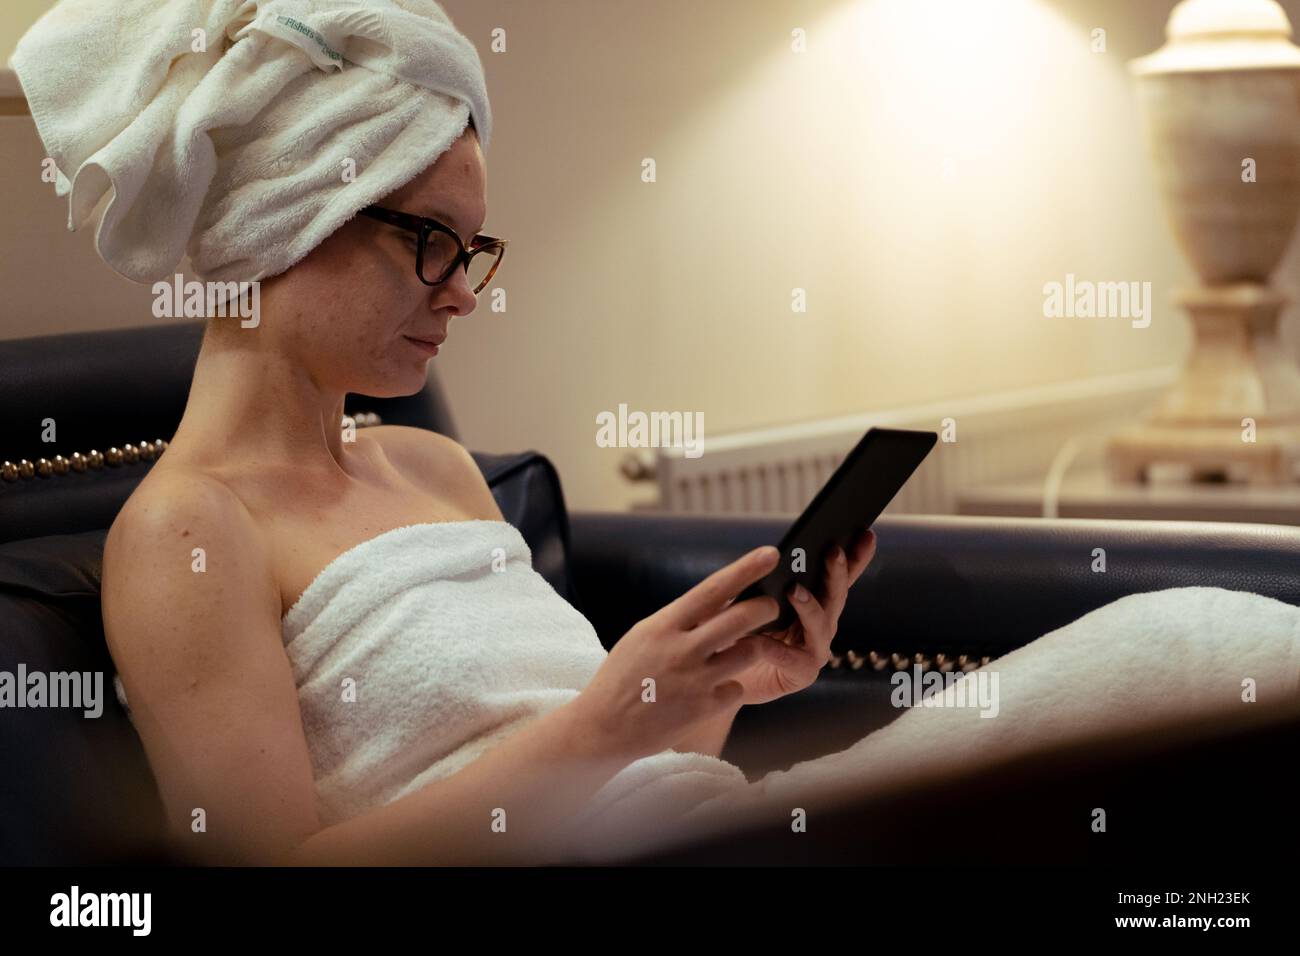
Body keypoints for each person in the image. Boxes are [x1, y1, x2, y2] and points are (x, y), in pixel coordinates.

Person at [14, 1, 1299, 867]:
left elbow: (615, 762)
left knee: (1202, 643)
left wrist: (730, 689)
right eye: (430, 244)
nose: (463, 292)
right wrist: (609, 720)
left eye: (476, 252)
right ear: (278, 227)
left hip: (725, 822)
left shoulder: (433, 465)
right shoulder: (190, 531)